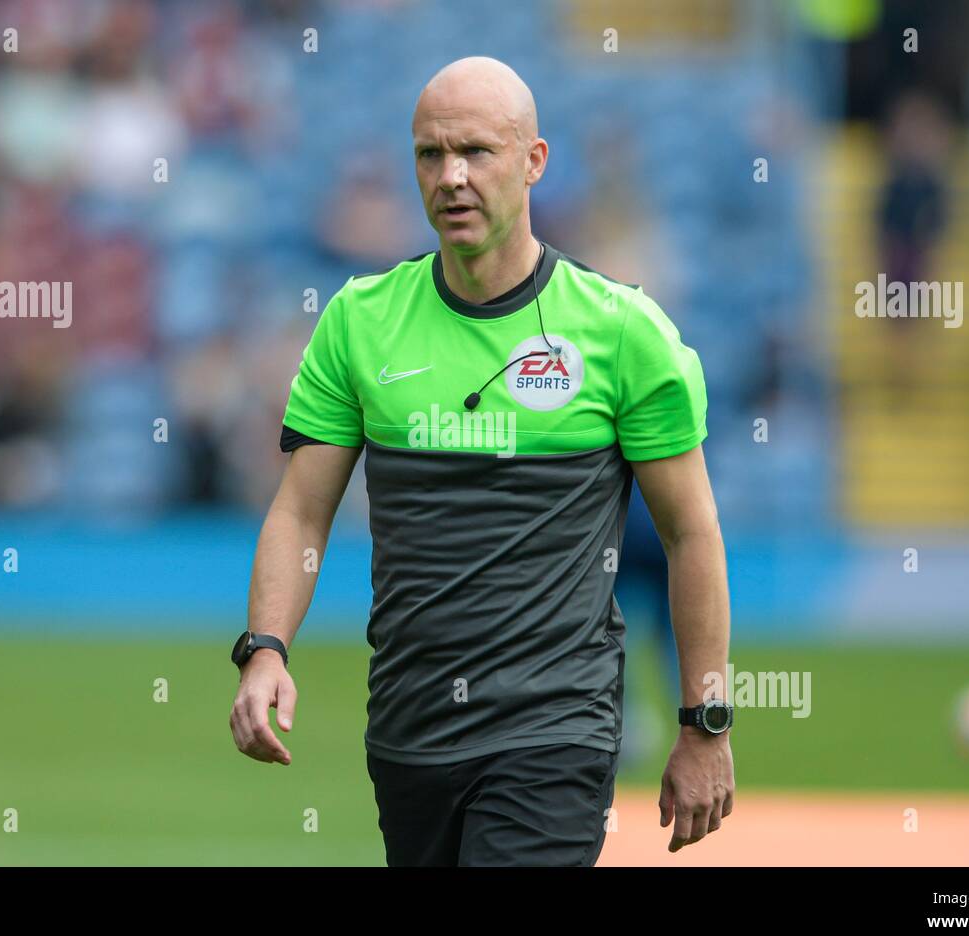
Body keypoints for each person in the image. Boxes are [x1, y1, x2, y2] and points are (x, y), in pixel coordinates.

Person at [228, 56, 734, 866]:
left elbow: (691, 533)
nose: (451, 177)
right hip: (408, 733)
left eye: (476, 152)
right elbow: (300, 511)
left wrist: (704, 724)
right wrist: (265, 650)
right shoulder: (359, 323)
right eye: (430, 155)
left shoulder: (624, 332)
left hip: (554, 735)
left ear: (534, 161)